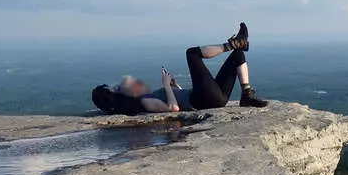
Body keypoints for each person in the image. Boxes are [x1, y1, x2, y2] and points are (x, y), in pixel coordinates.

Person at [101, 23, 267, 114]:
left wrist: (174, 87)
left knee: (238, 56)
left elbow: (179, 98)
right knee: (192, 54)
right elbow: (173, 109)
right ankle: (232, 43)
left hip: (212, 98)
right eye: (115, 88)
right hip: (202, 100)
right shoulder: (143, 101)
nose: (120, 84)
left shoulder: (146, 96)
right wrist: (166, 86)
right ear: (120, 96)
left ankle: (247, 95)